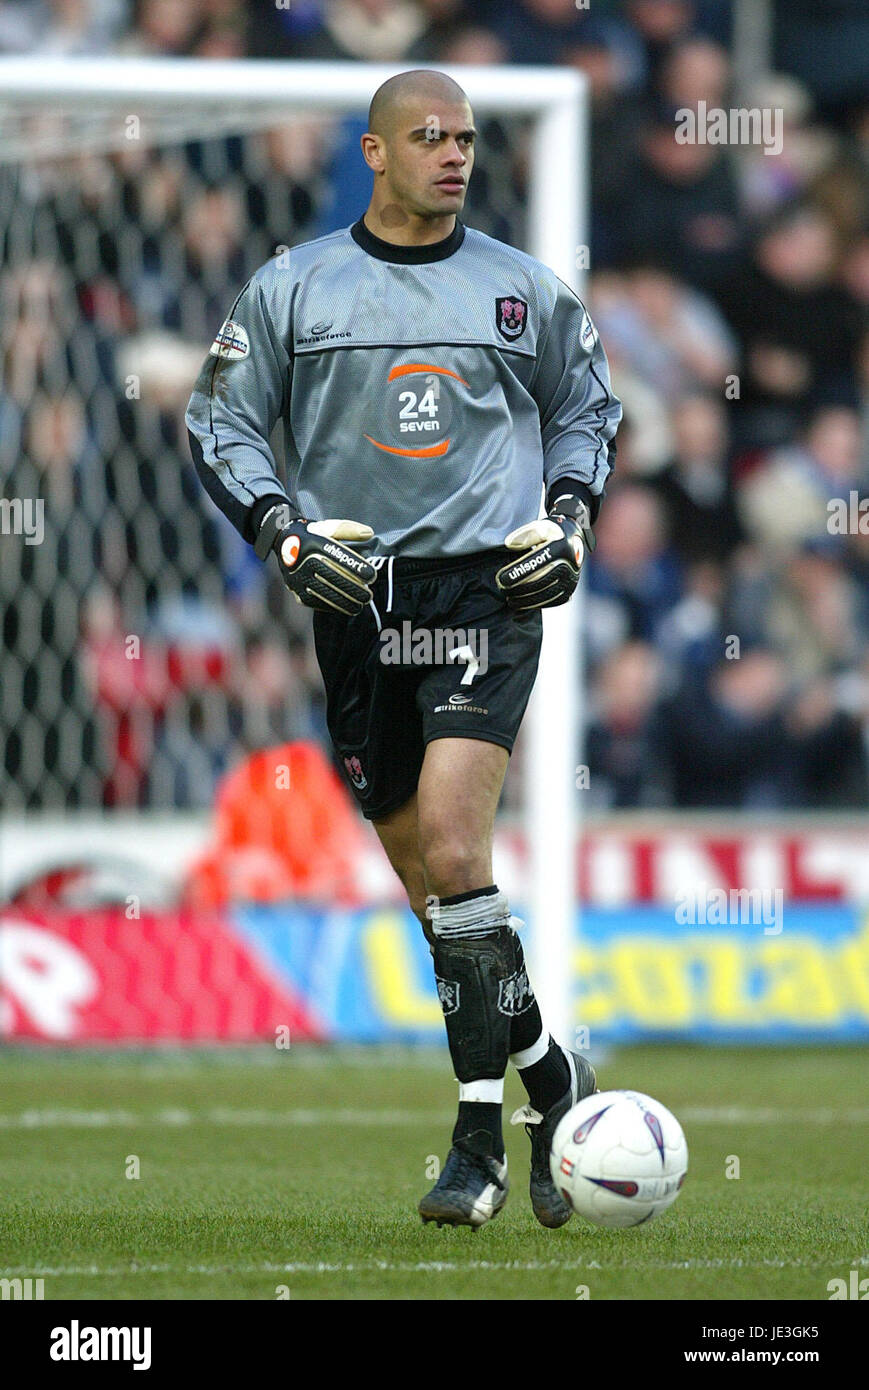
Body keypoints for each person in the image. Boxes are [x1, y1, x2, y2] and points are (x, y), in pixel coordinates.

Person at [186, 68, 621, 1229]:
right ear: (372, 152)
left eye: (466, 137)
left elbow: (588, 403)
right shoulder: (294, 288)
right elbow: (217, 417)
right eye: (427, 136)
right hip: (356, 597)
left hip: (484, 590)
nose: (453, 154)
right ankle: (549, 1079)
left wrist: (568, 516)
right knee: (437, 896)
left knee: (450, 836)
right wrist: (280, 535)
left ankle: (476, 1139)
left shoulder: (521, 290)